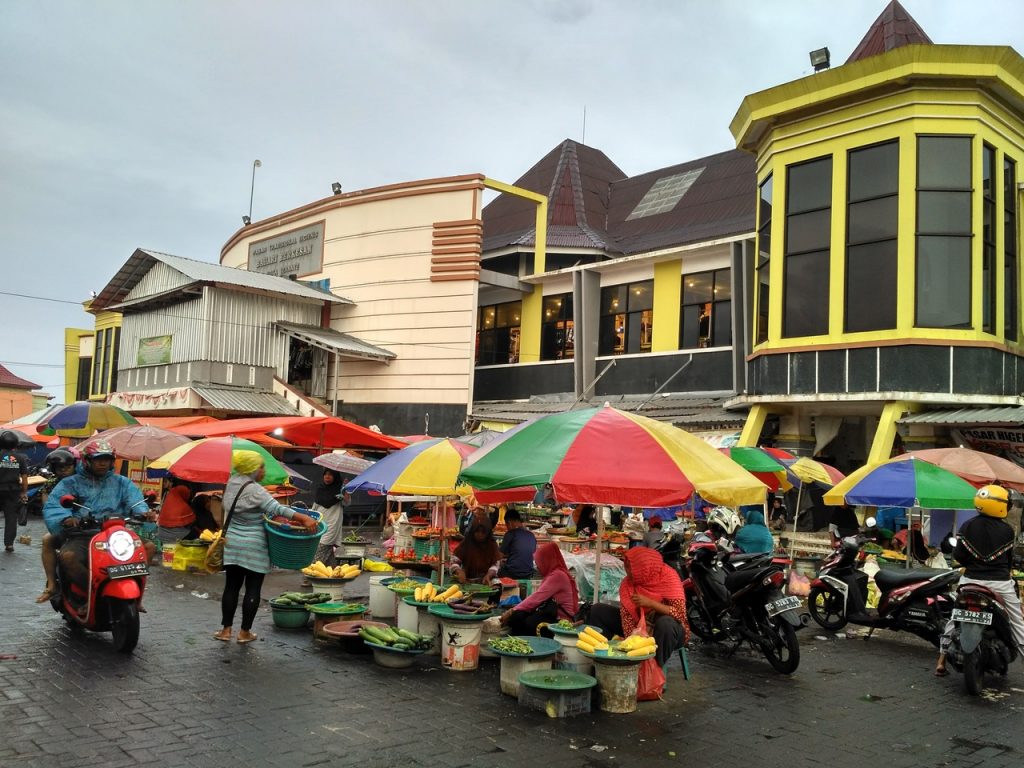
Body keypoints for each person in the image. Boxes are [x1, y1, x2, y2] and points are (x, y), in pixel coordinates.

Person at [213, 450, 318, 644]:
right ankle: (244, 633)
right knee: (253, 588)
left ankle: (226, 630)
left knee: (231, 587)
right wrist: (303, 517)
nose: (263, 471)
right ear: (252, 469)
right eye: (261, 467)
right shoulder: (255, 490)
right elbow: (278, 509)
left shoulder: (232, 483)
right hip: (254, 546)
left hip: (233, 544)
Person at [42, 440, 155, 601]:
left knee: (148, 547)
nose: (102, 463)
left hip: (116, 532)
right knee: (68, 558)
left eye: (107, 459)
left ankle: (136, 595)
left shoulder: (121, 482)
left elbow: (135, 501)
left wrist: (144, 513)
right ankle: (91, 594)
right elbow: (55, 506)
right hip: (84, 533)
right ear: (87, 460)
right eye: (98, 459)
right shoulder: (71, 482)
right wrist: (67, 518)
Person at [936, 485, 1024, 676]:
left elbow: (959, 555)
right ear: (1001, 506)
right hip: (1000, 584)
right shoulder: (1007, 530)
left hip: (970, 581)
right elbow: (1008, 562)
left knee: (954, 617)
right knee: (1018, 621)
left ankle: (941, 661)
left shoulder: (967, 526)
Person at [588, 547, 688, 669]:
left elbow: (680, 614)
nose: (627, 572)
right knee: (597, 610)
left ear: (643, 568)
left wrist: (651, 603)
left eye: (630, 568)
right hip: (638, 628)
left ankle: (654, 668)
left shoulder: (668, 577)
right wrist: (631, 642)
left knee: (665, 623)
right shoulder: (627, 584)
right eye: (626, 567)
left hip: (669, 632)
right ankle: (606, 659)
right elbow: (627, 618)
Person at [500, 542, 578, 636]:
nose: (538, 566)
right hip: (551, 614)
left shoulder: (558, 575)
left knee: (528, 622)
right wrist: (515, 611)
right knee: (518, 615)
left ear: (547, 560)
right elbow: (535, 599)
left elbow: (536, 598)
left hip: (561, 621)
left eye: (540, 562)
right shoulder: (551, 574)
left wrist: (511, 611)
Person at [34, 448, 78, 602]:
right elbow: (49, 507)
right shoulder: (52, 484)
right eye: (60, 468)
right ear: (54, 470)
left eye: (68, 466)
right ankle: (51, 584)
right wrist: (61, 518)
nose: (65, 470)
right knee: (47, 539)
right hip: (64, 526)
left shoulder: (83, 480)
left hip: (89, 525)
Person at [0, 430, 29, 554]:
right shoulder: (20, 458)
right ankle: (9, 544)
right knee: (11, 517)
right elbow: (24, 477)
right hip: (13, 491)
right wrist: (24, 492)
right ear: (15, 444)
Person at [450, 519, 502, 585]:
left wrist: (489, 574)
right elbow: (454, 560)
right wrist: (459, 571)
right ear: (472, 531)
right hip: (468, 579)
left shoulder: (491, 544)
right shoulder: (467, 542)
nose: (480, 534)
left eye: (483, 532)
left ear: (487, 533)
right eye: (477, 531)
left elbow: (496, 564)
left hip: (487, 579)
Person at [311, 469, 344, 566]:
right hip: (320, 523)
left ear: (335, 477)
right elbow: (315, 506)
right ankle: (334, 574)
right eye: (325, 474)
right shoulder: (320, 489)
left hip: (332, 524)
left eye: (330, 475)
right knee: (328, 553)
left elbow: (347, 502)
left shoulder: (340, 491)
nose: (327, 477)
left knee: (321, 548)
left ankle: (309, 575)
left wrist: (346, 492)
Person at [498, 509, 537, 579]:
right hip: (528, 572)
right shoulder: (531, 535)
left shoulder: (510, 534)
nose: (507, 528)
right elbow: (529, 553)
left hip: (512, 573)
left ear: (509, 523)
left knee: (497, 570)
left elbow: (499, 556)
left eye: (506, 524)